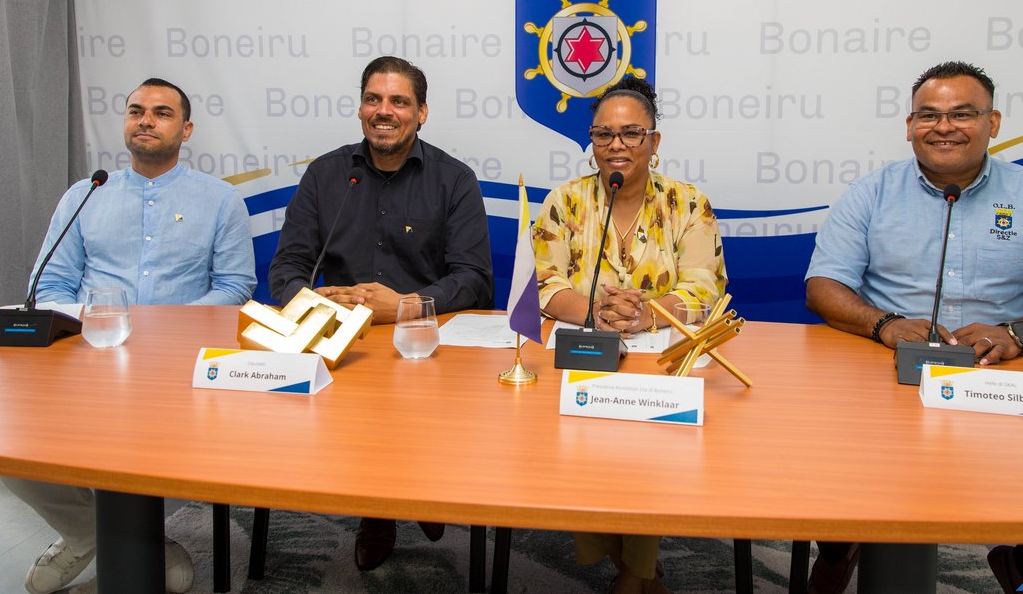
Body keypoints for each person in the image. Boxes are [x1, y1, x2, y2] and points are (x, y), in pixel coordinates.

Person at [803, 61, 1023, 594]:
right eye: (929, 115)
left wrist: (1018, 333)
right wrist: (885, 323)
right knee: (840, 452)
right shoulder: (872, 192)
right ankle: (843, 538)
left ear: (994, 122)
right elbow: (823, 287)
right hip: (890, 376)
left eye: (962, 114)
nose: (944, 127)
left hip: (1003, 374)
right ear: (910, 124)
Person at [4, 78, 256, 594]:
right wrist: (94, 324)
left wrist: (160, 330)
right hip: (85, 357)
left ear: (185, 130)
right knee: (5, 433)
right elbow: (48, 284)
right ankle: (90, 531)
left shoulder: (220, 200)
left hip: (177, 367)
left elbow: (235, 287)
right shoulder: (86, 194)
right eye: (136, 110)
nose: (146, 120)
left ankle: (127, 536)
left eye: (161, 113)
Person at [267, 55, 494, 571]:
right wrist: (313, 300)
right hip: (343, 342)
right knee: (355, 415)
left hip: (426, 345)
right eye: (374, 99)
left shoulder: (453, 179)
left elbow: (475, 279)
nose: (383, 111)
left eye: (398, 101)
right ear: (362, 108)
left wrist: (409, 306)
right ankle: (379, 512)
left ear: (422, 113)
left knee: (417, 403)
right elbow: (287, 267)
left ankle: (423, 488)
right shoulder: (327, 175)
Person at [532, 77, 727, 594]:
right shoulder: (566, 201)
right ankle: (641, 572)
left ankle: (636, 572)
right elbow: (544, 283)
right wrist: (595, 310)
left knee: (650, 446)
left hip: (661, 361)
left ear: (655, 143)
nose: (615, 145)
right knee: (584, 438)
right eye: (603, 135)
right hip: (587, 352)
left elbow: (704, 287)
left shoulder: (688, 203)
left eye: (631, 134)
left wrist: (645, 315)